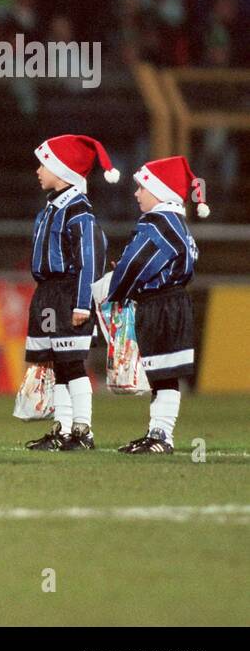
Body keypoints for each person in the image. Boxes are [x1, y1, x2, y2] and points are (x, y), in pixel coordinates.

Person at [107, 156, 206, 454]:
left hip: (160, 303)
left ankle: (161, 436)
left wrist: (117, 291)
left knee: (162, 373)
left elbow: (136, 264)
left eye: (142, 188)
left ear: (159, 190)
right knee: (161, 373)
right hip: (173, 300)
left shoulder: (158, 222)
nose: (136, 194)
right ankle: (157, 433)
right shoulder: (177, 222)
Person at [23, 136, 115, 452]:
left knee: (73, 363)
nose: (38, 170)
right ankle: (61, 429)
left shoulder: (79, 211)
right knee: (59, 363)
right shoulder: (53, 206)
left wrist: (81, 304)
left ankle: (83, 430)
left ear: (62, 171)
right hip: (49, 292)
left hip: (68, 292)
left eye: (44, 164)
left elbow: (89, 261)